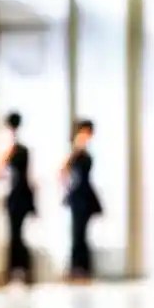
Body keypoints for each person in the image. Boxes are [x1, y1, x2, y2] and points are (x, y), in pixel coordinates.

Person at [0, 111, 35, 284]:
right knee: (16, 233)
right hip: (16, 195)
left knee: (16, 234)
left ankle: (18, 270)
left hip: (17, 196)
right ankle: (18, 269)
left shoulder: (15, 149)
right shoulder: (16, 149)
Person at [62, 119, 102, 281]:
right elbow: (63, 169)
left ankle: (82, 269)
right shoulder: (76, 152)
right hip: (77, 195)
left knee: (81, 234)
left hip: (86, 195)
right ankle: (76, 268)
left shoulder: (85, 153)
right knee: (77, 233)